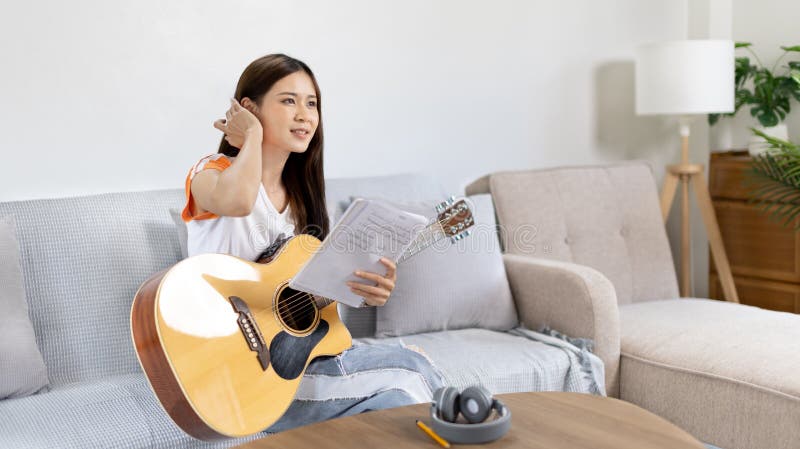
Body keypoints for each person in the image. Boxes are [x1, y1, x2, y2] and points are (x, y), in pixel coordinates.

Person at [180, 53, 444, 434]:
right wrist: (251, 136)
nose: (305, 114)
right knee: (410, 368)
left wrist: (366, 291)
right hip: (235, 374)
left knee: (399, 405)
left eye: (312, 103)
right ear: (247, 108)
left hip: (293, 367)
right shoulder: (209, 173)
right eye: (289, 101)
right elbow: (238, 201)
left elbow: (312, 310)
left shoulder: (305, 202)